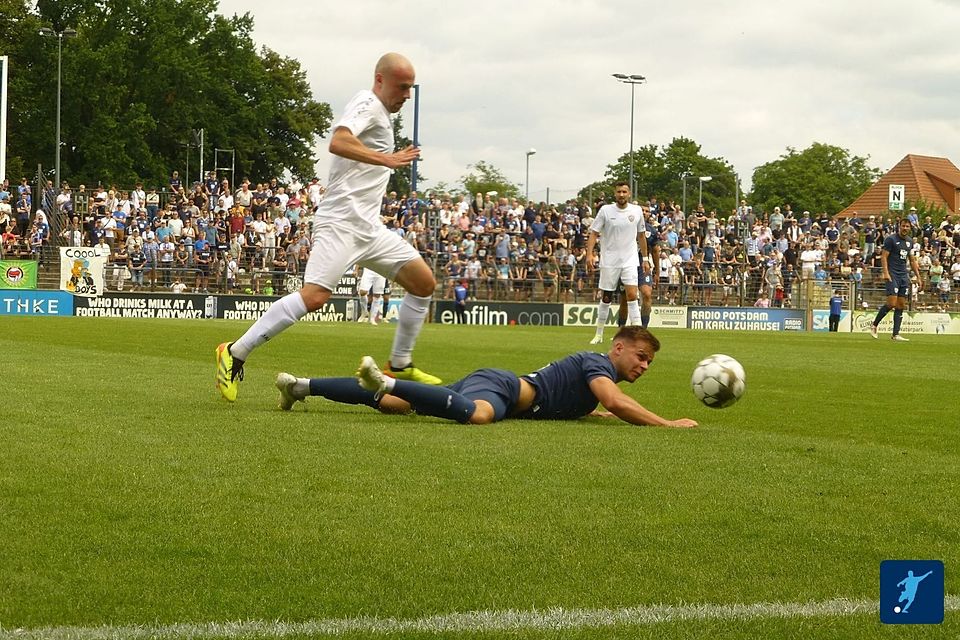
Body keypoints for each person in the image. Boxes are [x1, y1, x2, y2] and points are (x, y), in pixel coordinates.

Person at [216, 53, 439, 401]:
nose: (407, 95)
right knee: (315, 297)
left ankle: (399, 364)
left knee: (424, 283)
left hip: (368, 228)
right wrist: (387, 159)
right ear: (380, 80)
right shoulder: (367, 102)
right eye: (402, 87)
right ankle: (234, 352)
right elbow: (338, 140)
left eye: (411, 88)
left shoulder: (379, 111)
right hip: (340, 223)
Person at [275, 326, 698, 428]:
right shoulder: (599, 365)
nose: (643, 366)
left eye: (649, 364)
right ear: (619, 347)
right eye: (641, 357)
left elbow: (594, 403)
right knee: (478, 416)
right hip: (503, 387)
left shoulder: (596, 371)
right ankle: (385, 380)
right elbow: (615, 402)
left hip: (498, 381)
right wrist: (668, 424)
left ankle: (300, 386)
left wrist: (590, 414)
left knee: (394, 406)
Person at [585, 182, 648, 345]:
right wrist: (589, 255)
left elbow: (641, 236)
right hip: (609, 260)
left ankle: (638, 334)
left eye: (624, 192)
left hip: (630, 259)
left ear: (629, 194)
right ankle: (599, 334)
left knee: (632, 295)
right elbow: (594, 234)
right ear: (615, 194)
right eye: (619, 191)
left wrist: (646, 259)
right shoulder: (606, 210)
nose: (621, 194)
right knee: (606, 297)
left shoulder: (637, 210)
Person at [870, 218, 921, 341]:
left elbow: (912, 260)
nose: (905, 228)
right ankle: (874, 325)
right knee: (891, 303)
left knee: (901, 305)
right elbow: (884, 256)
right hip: (893, 274)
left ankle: (895, 334)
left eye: (907, 227)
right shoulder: (891, 239)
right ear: (899, 226)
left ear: (910, 228)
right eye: (903, 226)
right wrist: (886, 273)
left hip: (904, 275)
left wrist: (918, 276)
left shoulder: (909, 242)